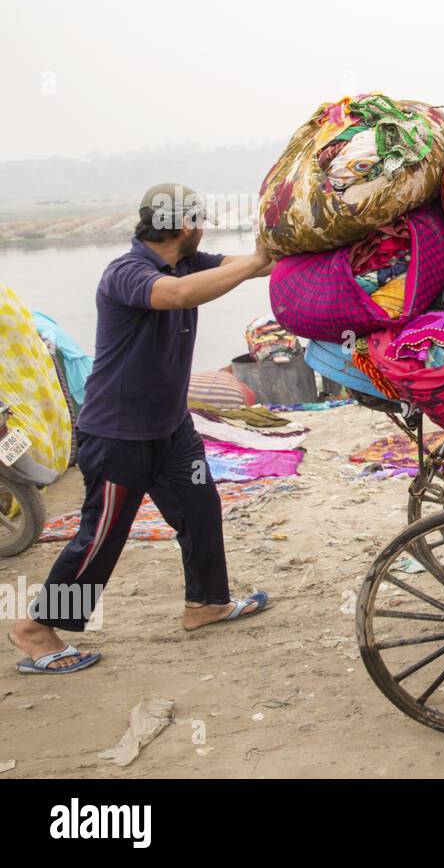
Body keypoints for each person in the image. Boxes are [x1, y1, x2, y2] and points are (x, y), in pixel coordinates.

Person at [7, 184, 274, 674]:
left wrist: (285, 250)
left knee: (200, 508)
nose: (206, 229)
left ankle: (207, 603)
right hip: (118, 436)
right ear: (183, 225)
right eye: (201, 220)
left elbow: (240, 265)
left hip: (171, 431)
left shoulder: (188, 262)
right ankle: (35, 628)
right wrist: (257, 260)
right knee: (101, 536)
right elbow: (177, 296)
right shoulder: (128, 272)